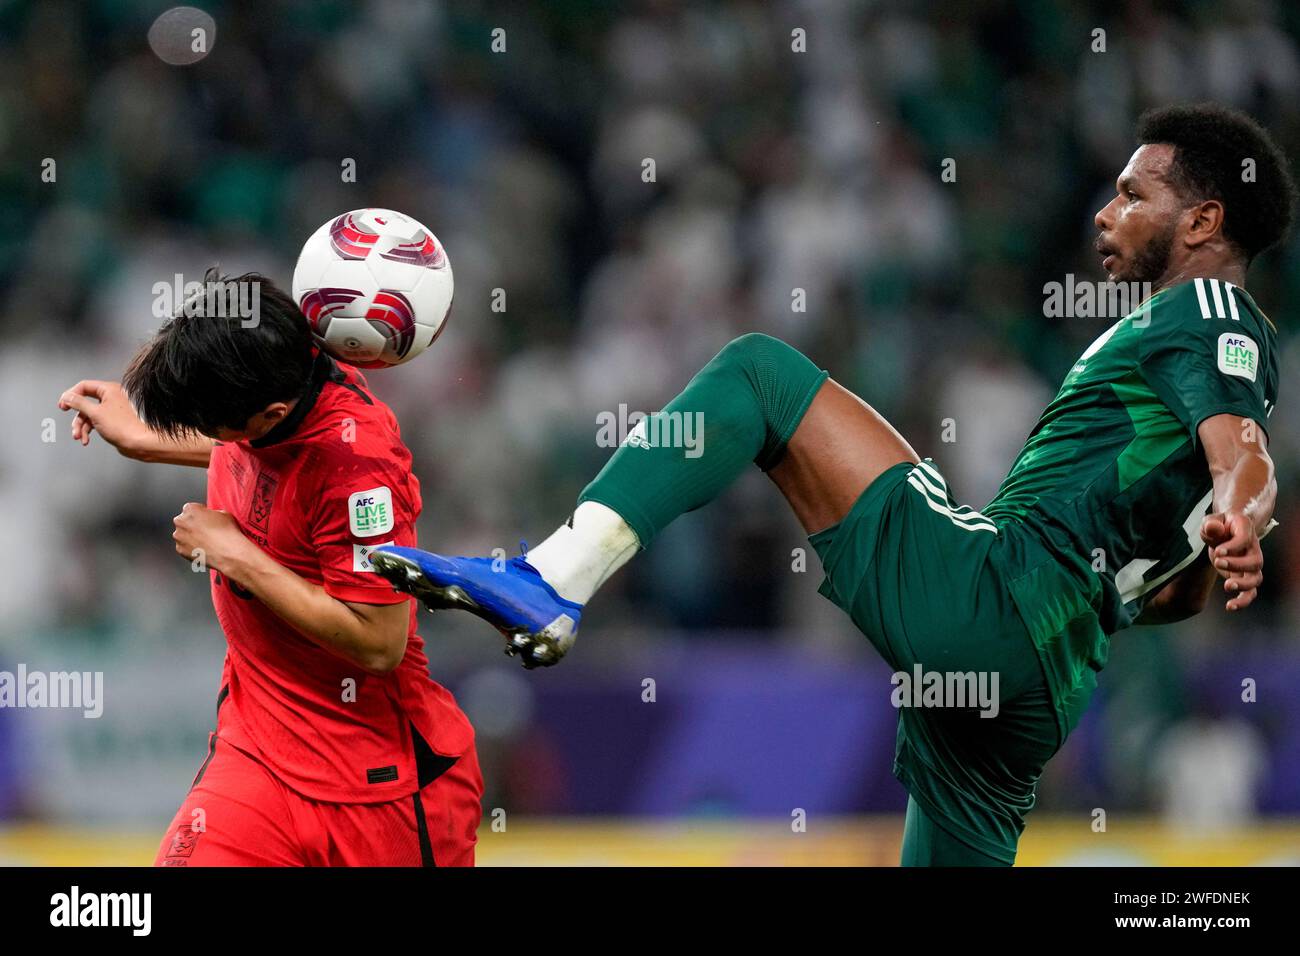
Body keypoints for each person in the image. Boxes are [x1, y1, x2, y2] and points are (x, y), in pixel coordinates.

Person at [370, 103, 1290, 865]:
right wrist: (1218, 536)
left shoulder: (1205, 312)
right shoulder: (1211, 353)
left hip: (998, 600)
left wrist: (1245, 511)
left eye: (1133, 195)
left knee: (760, 373)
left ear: (1204, 221)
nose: (1105, 210)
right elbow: (1182, 586)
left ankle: (551, 581)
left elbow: (1244, 454)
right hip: (1037, 695)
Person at [58, 270, 481, 866]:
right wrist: (144, 437)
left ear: (270, 415)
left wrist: (237, 557)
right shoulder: (283, 364)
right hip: (255, 753)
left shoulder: (360, 472)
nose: (206, 437)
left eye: (211, 426)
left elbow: (381, 642)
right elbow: (255, 453)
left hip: (381, 788)